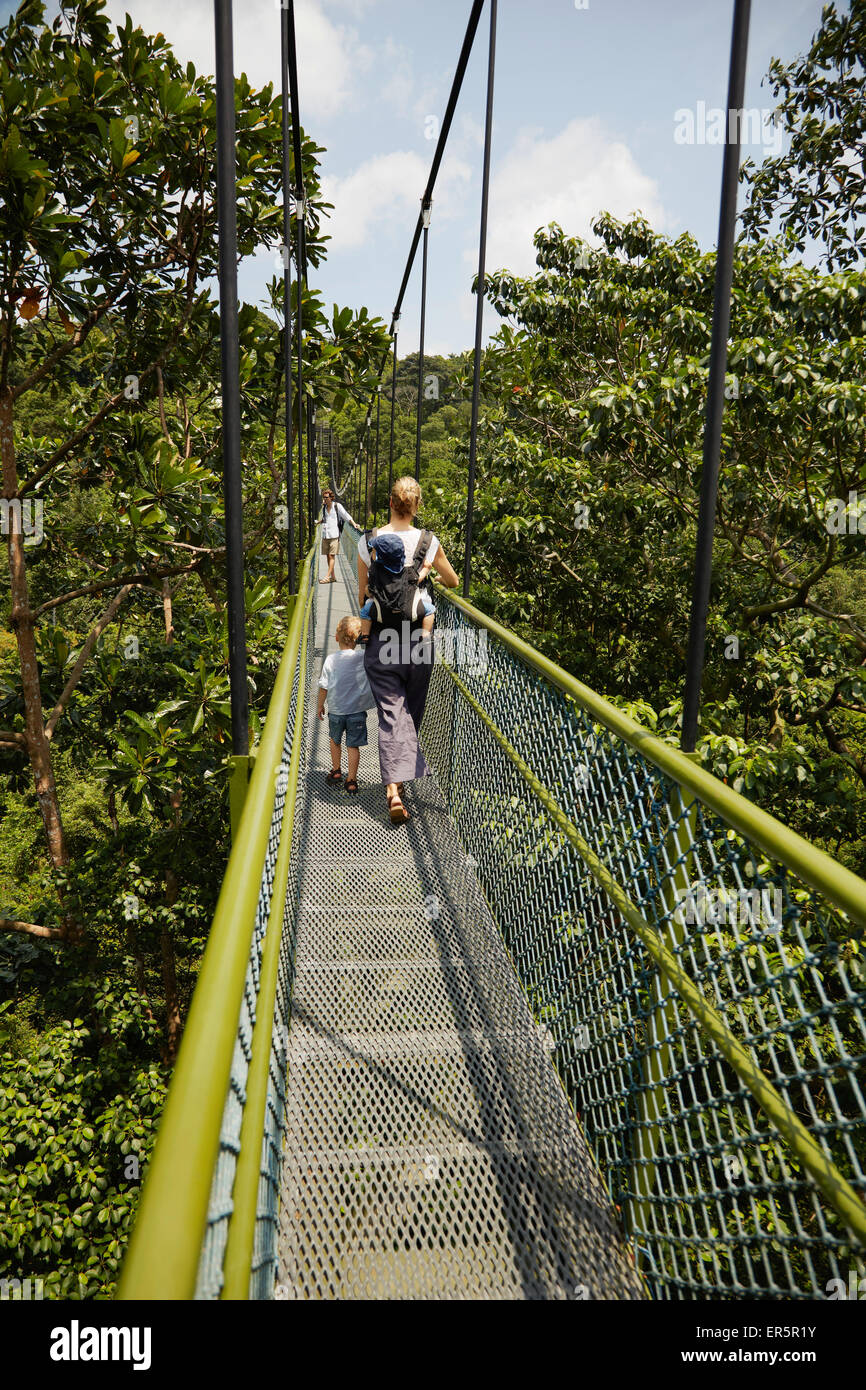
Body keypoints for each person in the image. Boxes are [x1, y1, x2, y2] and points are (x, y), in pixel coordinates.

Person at [357, 476, 459, 824]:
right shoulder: (429, 542)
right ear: (416, 506)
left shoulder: (367, 540)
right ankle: (398, 783)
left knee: (390, 714)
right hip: (419, 641)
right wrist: (427, 569)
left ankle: (393, 791)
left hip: (382, 638)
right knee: (409, 713)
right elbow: (453, 581)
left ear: (390, 502)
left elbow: (362, 595)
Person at [317, 615, 375, 794]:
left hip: (336, 710)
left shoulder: (330, 660)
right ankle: (351, 780)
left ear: (336, 637)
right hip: (357, 711)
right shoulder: (363, 657)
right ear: (358, 640)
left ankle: (336, 771)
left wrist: (320, 705)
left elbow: (323, 687)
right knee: (353, 746)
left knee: (335, 740)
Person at [358, 531, 436, 640]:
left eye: (375, 551)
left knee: (365, 612)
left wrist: (367, 590)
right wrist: (426, 568)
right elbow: (417, 580)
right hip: (408, 612)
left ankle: (365, 635)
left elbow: (369, 592)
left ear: (380, 556)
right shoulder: (408, 571)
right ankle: (425, 634)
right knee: (430, 610)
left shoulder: (375, 571)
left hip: (382, 613)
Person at [319, 488, 356, 585]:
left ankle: (327, 577)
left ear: (331, 498)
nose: (325, 499)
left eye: (326, 497)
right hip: (325, 534)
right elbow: (325, 518)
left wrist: (354, 524)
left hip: (334, 535)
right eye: (324, 497)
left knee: (331, 556)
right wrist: (319, 521)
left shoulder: (337, 506)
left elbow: (346, 515)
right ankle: (333, 577)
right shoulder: (324, 508)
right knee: (328, 556)